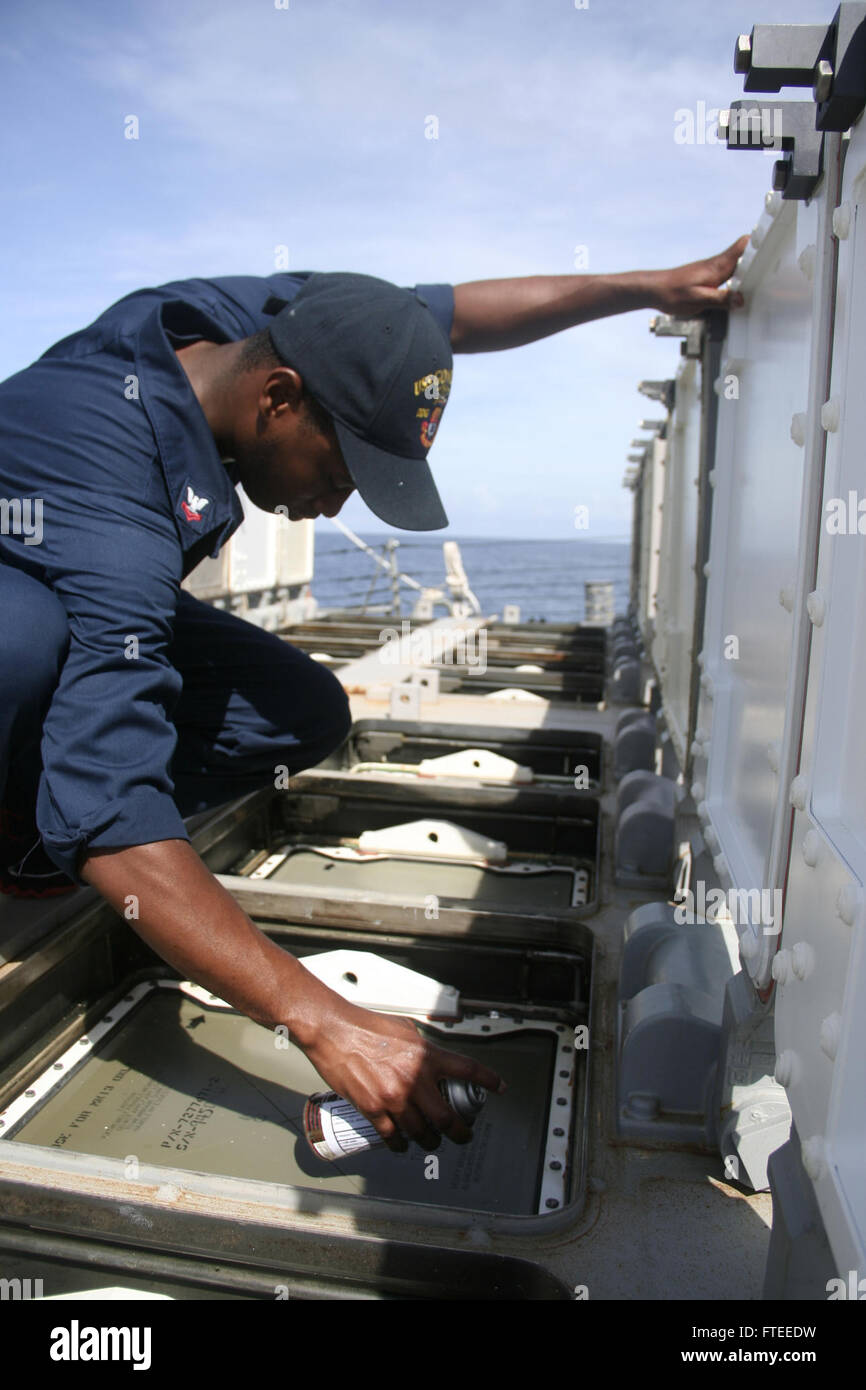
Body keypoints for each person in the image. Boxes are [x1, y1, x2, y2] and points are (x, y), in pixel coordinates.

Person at [0, 238, 747, 1152]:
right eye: (340, 472)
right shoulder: (113, 503)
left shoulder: (254, 324)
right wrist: (325, 1020)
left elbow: (446, 316)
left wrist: (643, 286)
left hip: (64, 571)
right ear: (278, 400)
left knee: (303, 710)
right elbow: (115, 803)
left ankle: (38, 822)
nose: (338, 505)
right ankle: (31, 836)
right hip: (29, 604)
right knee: (23, 644)